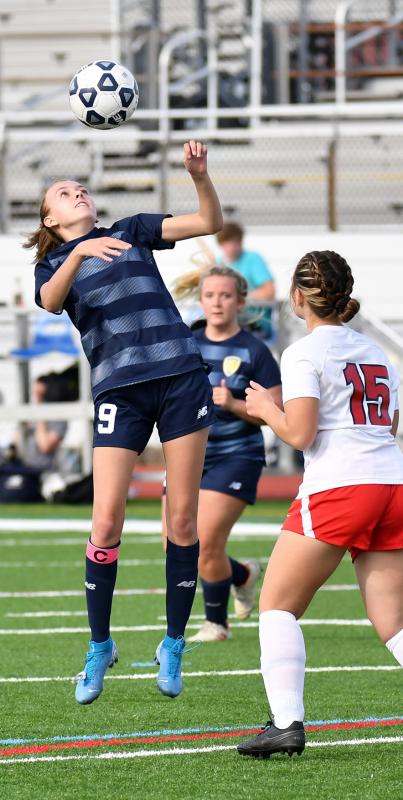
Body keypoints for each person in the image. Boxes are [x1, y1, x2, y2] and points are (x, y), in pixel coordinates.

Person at [27, 140, 223, 704]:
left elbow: (209, 220)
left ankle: (173, 642)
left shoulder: (132, 229)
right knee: (106, 520)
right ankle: (100, 645)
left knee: (182, 520)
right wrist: (79, 255)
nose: (77, 192)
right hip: (120, 391)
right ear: (50, 219)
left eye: (79, 187)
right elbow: (47, 300)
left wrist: (199, 176)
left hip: (181, 377)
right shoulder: (52, 263)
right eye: (64, 193)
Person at [237, 250, 403, 759]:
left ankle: (286, 724)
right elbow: (389, 427)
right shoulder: (377, 353)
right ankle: (284, 722)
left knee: (276, 605)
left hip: (340, 486)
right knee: (393, 620)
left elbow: (301, 432)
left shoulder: (304, 352)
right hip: (392, 484)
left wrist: (267, 408)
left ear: (297, 298)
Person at [166, 265, 281, 642]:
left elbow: (274, 413)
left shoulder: (255, 352)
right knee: (176, 540)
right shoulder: (184, 340)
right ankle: (243, 575)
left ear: (241, 302)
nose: (217, 302)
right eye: (210, 295)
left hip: (236, 454)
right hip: (187, 452)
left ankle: (216, 624)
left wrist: (233, 404)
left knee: (204, 540)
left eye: (226, 295)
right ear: (200, 300)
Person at [214, 222, 276, 338]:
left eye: (236, 242)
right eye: (229, 242)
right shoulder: (217, 263)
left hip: (254, 321)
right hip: (227, 320)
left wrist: (238, 298)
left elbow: (269, 291)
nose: (233, 246)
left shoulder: (253, 259)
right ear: (221, 244)